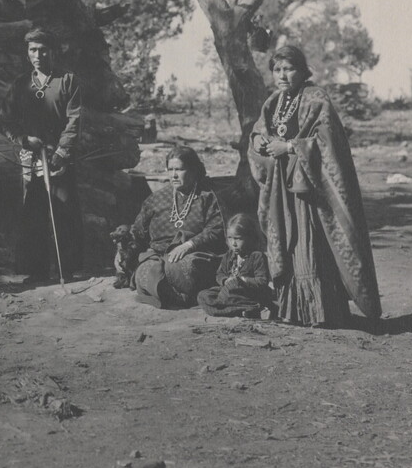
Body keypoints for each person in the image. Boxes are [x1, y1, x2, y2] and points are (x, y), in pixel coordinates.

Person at [249, 44, 382, 328]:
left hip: (308, 190)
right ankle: (292, 311)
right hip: (280, 189)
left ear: (302, 70)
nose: (282, 75)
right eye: (277, 69)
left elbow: (329, 142)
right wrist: (258, 141)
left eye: (289, 69)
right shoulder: (273, 102)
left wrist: (289, 146)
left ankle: (321, 313)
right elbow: (259, 131)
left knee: (308, 243)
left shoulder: (315, 98)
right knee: (287, 242)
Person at [0, 28, 83, 282]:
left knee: (64, 209)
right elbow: (7, 119)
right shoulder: (20, 84)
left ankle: (66, 269)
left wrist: (61, 151)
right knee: (33, 211)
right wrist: (23, 140)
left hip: (60, 157)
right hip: (31, 157)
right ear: (27, 54)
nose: (38, 55)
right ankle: (36, 271)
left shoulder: (68, 81)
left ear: (53, 51)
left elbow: (75, 119)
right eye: (33, 50)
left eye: (43, 49)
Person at [128, 146, 225, 309]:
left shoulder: (208, 197)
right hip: (158, 255)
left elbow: (216, 230)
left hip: (195, 254)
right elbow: (138, 231)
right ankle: (177, 296)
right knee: (148, 270)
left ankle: (172, 295)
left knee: (180, 267)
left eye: (179, 170)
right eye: (170, 169)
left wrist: (188, 245)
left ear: (193, 170)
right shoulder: (156, 199)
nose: (173, 175)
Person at [197, 213, 275, 319]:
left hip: (248, 293)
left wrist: (243, 280)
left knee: (230, 291)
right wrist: (225, 280)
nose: (233, 243)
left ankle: (235, 307)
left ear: (250, 237)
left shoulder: (256, 256)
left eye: (237, 239)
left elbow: (262, 281)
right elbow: (220, 274)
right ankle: (244, 310)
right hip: (229, 292)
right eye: (230, 238)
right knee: (203, 295)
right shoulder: (229, 255)